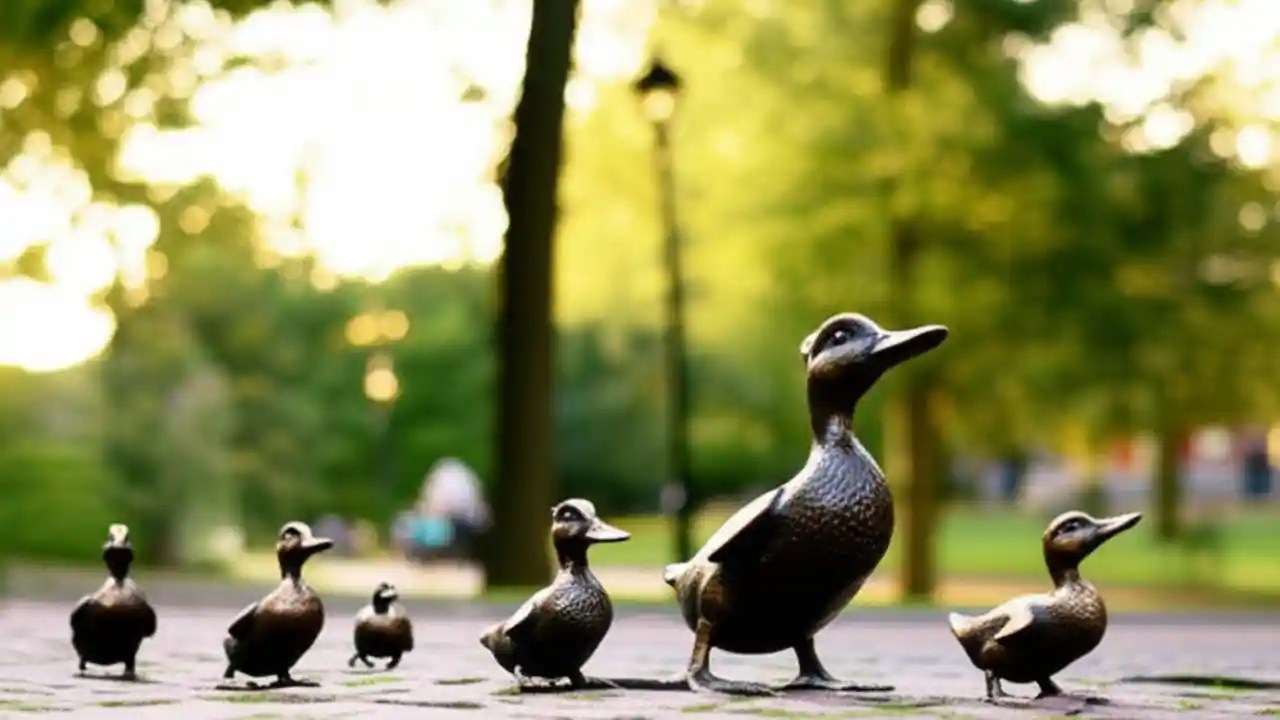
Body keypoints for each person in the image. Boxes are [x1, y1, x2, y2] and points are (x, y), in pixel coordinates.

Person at [417, 458, 490, 556]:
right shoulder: (465, 479)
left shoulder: (443, 478)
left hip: (457, 526)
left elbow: (432, 507)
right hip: (467, 526)